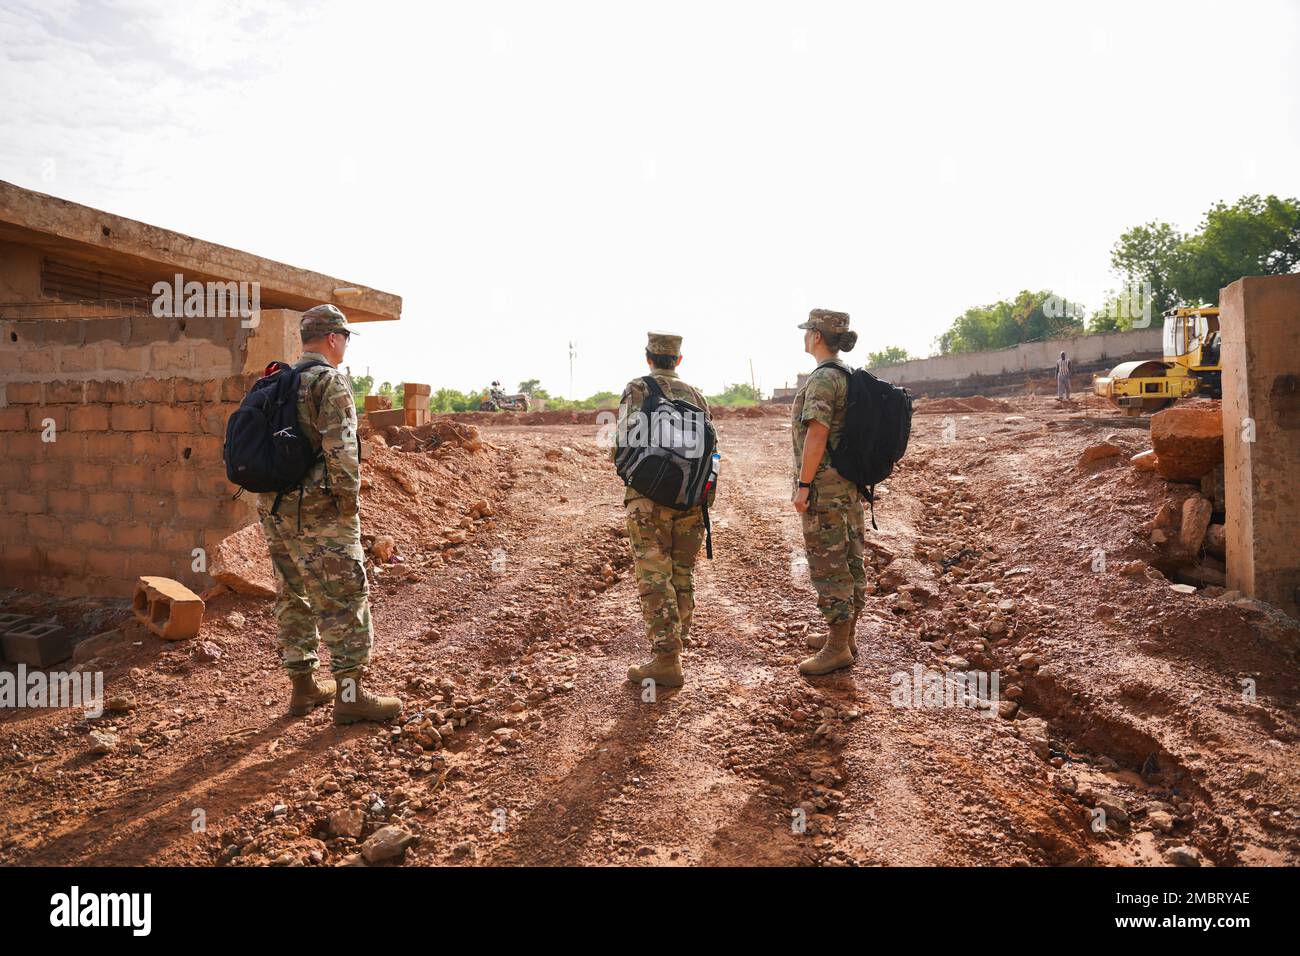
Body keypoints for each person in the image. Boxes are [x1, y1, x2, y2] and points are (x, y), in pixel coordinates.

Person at [260, 304, 402, 724]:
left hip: (273, 509)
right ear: (334, 339)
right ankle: (351, 697)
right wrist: (348, 510)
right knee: (344, 598)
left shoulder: (275, 380)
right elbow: (342, 453)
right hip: (320, 513)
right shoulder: (329, 383)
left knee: (292, 594)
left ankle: (303, 688)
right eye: (344, 340)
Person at [612, 332, 715, 688]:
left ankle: (667, 659)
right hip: (692, 497)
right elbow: (711, 451)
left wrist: (635, 480)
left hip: (649, 499)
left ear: (648, 358)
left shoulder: (637, 388)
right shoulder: (696, 394)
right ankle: (676, 646)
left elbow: (624, 439)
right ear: (679, 361)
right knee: (681, 571)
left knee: (654, 572)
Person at [791, 309, 866, 676]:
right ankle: (845, 637)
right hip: (849, 485)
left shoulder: (823, 380)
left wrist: (803, 486)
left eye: (808, 331)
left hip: (825, 489)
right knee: (850, 560)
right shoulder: (849, 375)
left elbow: (816, 434)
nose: (805, 337)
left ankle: (838, 647)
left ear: (817, 336)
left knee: (829, 565)